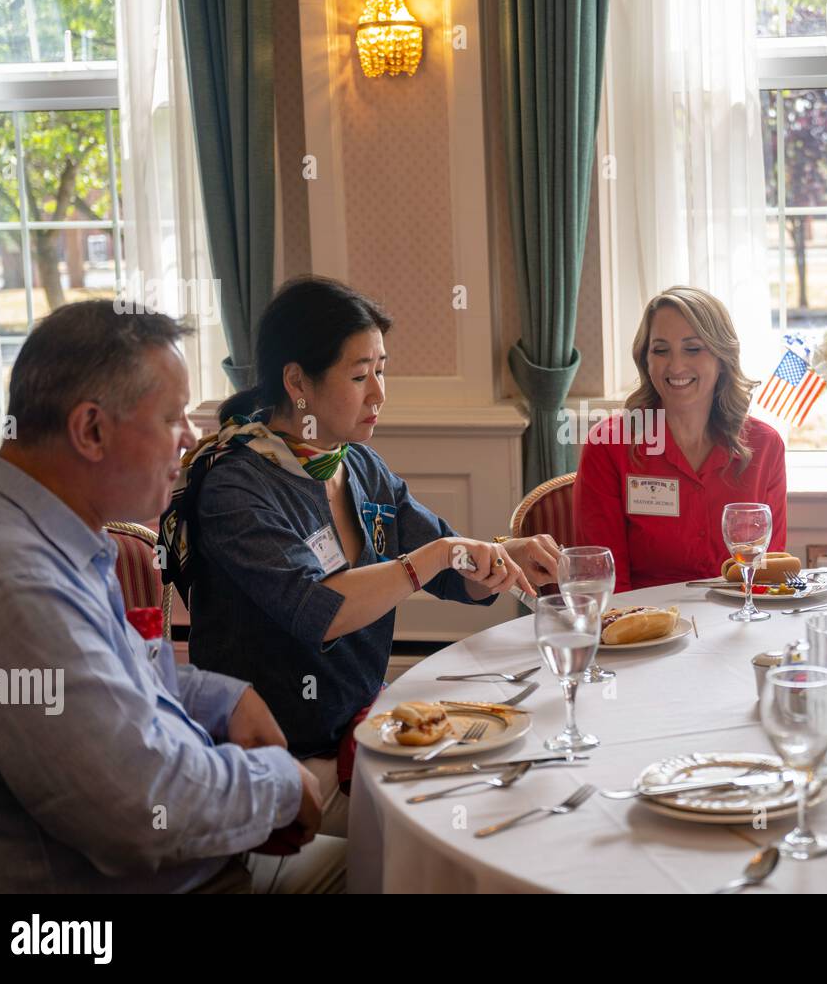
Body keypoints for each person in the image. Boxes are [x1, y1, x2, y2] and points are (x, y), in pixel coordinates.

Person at [0, 300, 339, 893]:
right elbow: (141, 808)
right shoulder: (17, 582)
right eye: (173, 418)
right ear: (91, 430)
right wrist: (281, 784)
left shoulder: (39, 527)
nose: (191, 439)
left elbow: (105, 675)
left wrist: (223, 697)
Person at [162, 277, 559, 835]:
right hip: (282, 762)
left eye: (381, 370)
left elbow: (450, 576)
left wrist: (497, 554)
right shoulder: (237, 487)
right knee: (470, 823)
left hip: (366, 730)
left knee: (518, 778)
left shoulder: (356, 464)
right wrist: (436, 556)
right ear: (297, 381)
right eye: (358, 375)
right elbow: (321, 609)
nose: (379, 393)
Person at [573, 286, 788, 591]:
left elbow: (766, 575)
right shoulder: (609, 445)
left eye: (693, 348)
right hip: (641, 627)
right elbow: (603, 580)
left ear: (721, 357)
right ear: (645, 360)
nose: (675, 366)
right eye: (660, 350)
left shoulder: (765, 446)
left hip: (737, 624)